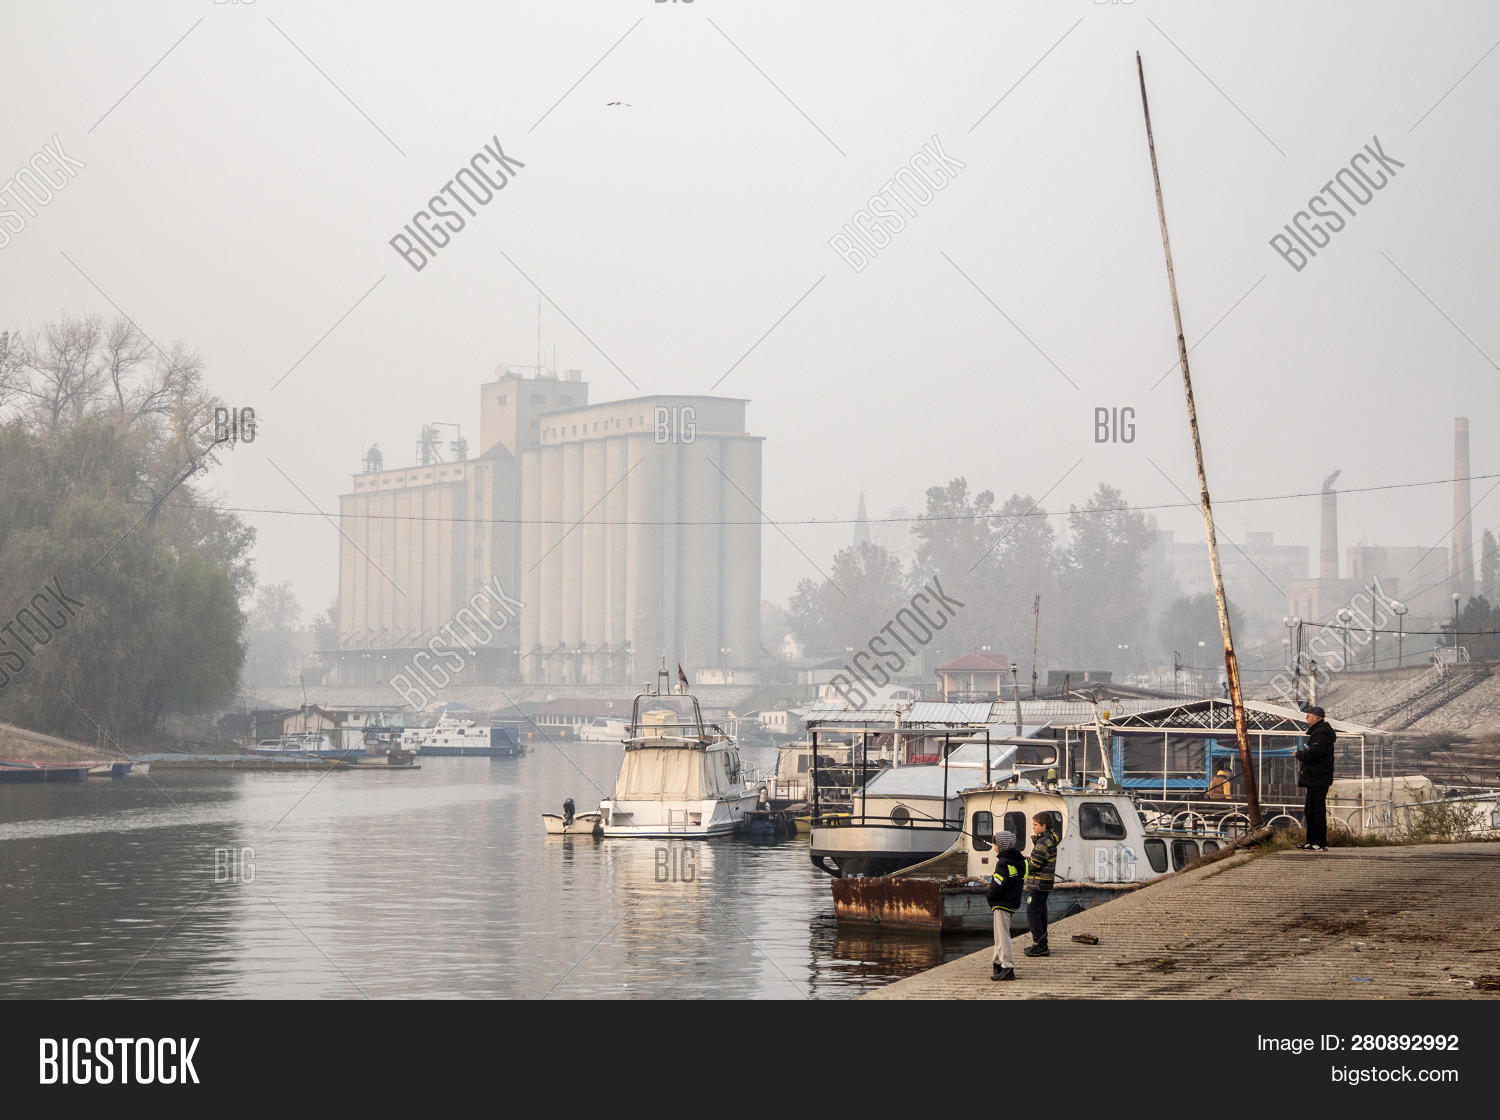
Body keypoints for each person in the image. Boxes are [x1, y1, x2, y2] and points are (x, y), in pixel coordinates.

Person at [986, 829, 1026, 981]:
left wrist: (989, 897)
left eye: (995, 844)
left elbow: (997, 886)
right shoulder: (1018, 861)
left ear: (1002, 845)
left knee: (1002, 937)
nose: (994, 847)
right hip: (1011, 902)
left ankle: (1008, 968)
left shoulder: (1002, 863)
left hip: (1001, 903)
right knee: (1000, 935)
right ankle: (997, 963)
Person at [1295, 707, 1336, 850]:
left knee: (1317, 810)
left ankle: (1319, 842)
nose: (1306, 718)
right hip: (1314, 778)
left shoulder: (1321, 734)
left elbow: (1314, 755)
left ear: (1316, 717)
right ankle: (1311, 841)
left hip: (1318, 777)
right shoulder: (1318, 732)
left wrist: (1299, 754)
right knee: (1310, 810)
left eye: (1308, 716)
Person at [1023, 812, 1061, 957]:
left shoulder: (1043, 842)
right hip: (1045, 883)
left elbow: (1034, 865)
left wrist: (1024, 861)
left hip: (1038, 884)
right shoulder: (1049, 840)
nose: (1033, 827)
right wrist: (1030, 858)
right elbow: (1039, 859)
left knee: (1032, 912)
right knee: (1041, 913)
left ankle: (1039, 944)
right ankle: (1042, 943)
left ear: (1043, 826)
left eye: (1035, 825)